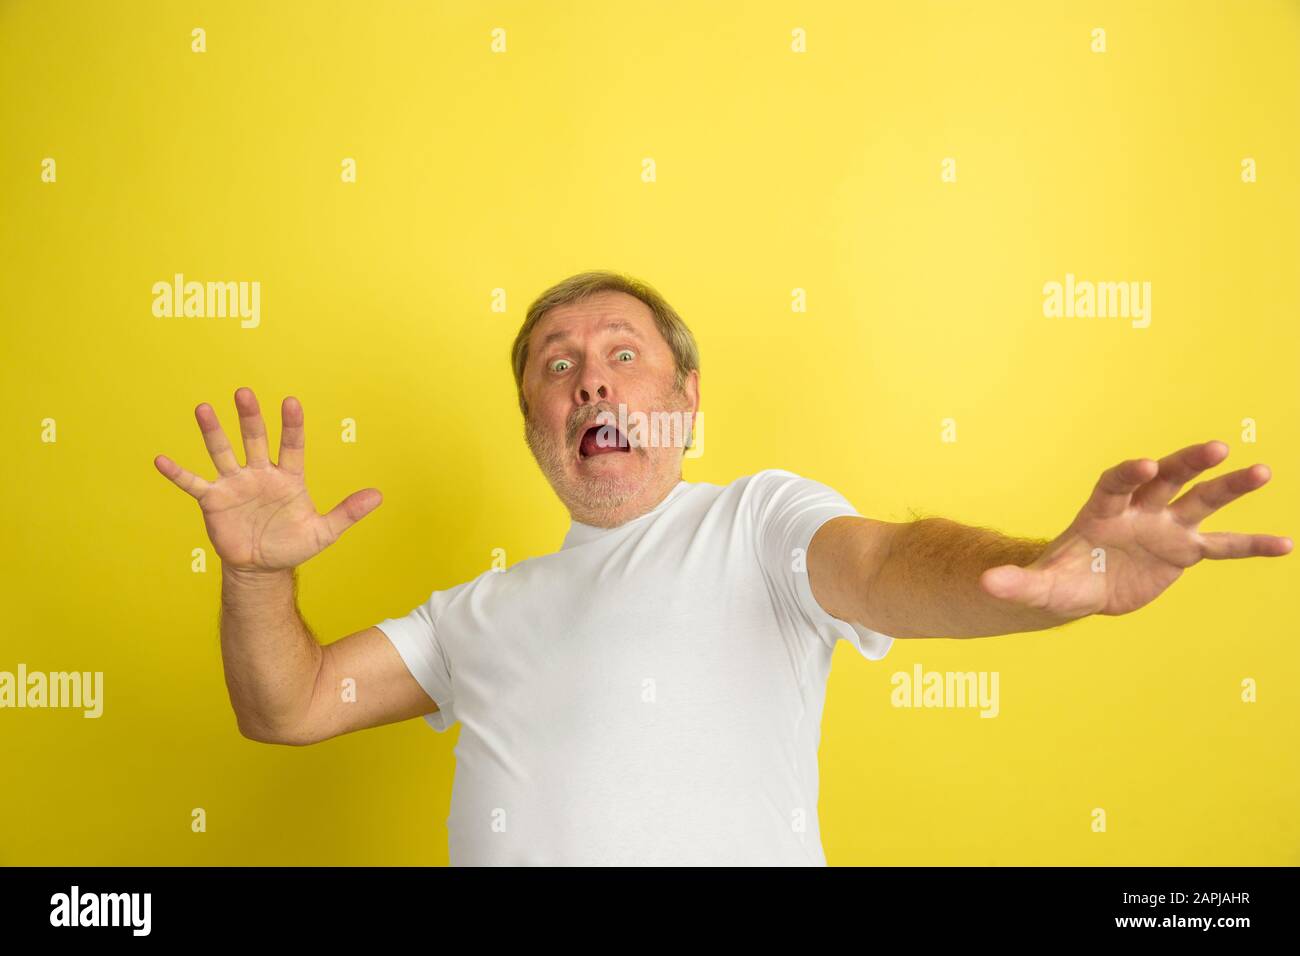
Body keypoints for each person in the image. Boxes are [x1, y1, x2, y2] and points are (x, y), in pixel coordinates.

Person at [154, 270, 1292, 866]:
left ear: (684, 402)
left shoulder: (755, 522)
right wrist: (256, 573)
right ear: (534, 424)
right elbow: (290, 704)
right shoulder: (474, 615)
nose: (589, 380)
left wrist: (1043, 564)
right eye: (557, 367)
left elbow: (888, 561)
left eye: (621, 354)